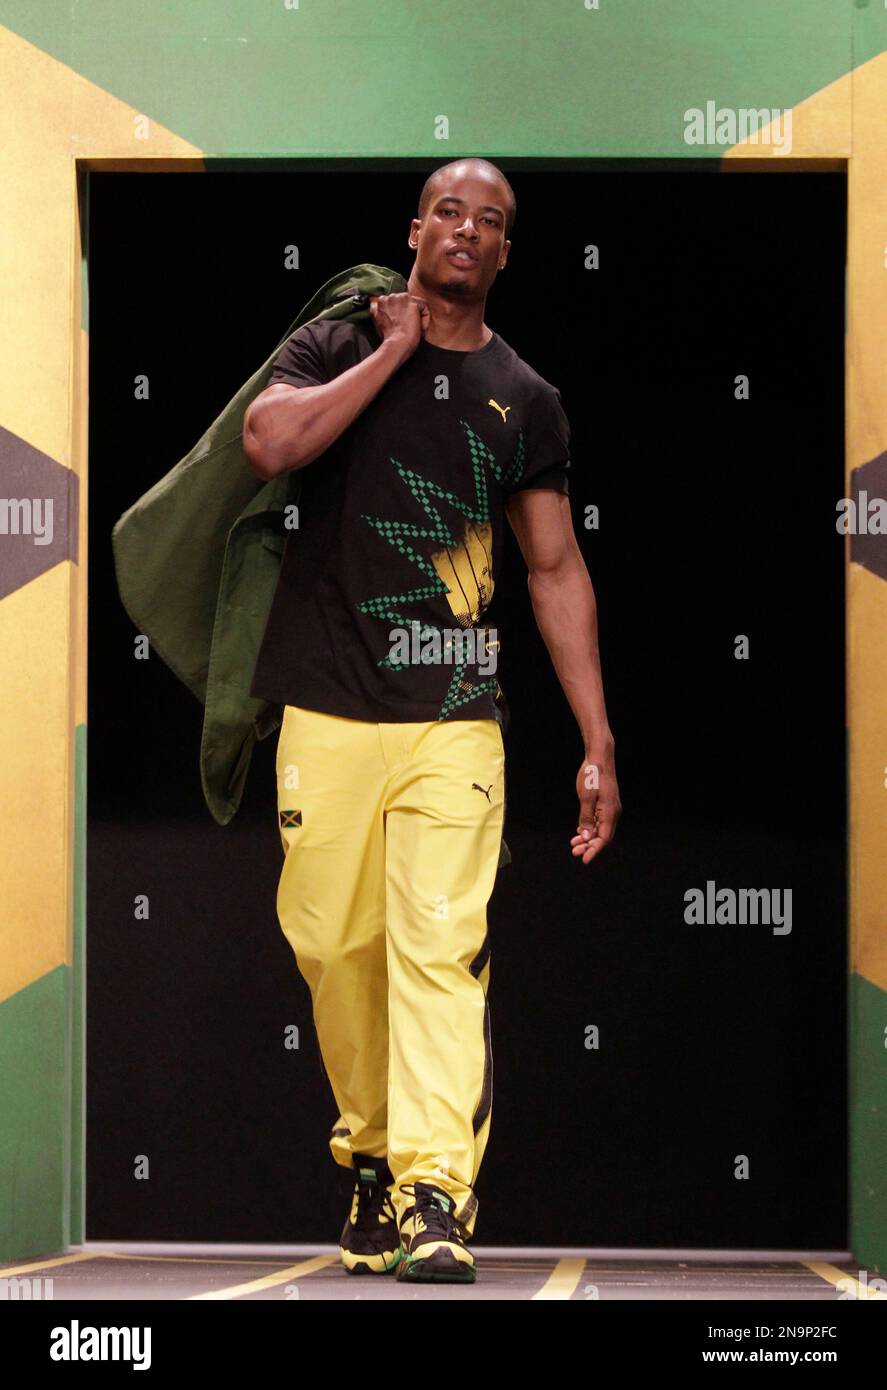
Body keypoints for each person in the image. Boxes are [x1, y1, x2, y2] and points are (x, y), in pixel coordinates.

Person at [242, 157, 621, 1284]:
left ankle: (431, 1194)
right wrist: (398, 347)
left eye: (489, 221)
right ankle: (365, 1151)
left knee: (437, 951)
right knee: (332, 945)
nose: (466, 229)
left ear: (505, 254)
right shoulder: (335, 342)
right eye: (448, 210)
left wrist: (595, 742)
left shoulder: (525, 397)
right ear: (414, 230)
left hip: (455, 711)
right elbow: (272, 444)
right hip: (325, 701)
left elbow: (553, 569)